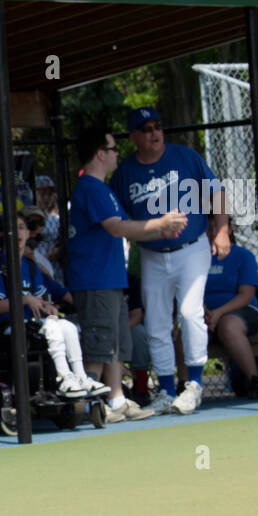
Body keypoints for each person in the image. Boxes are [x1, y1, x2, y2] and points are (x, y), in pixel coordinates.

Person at [109, 106, 229, 416]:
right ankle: (166, 389)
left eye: (157, 126)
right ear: (134, 136)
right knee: (157, 323)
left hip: (192, 248)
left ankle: (195, 385)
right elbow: (114, 219)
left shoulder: (184, 156)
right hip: (150, 254)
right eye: (146, 129)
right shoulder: (124, 173)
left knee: (190, 313)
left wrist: (223, 230)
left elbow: (217, 192)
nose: (154, 133)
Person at [68, 127, 186, 422]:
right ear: (100, 154)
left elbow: (123, 227)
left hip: (109, 278)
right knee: (99, 345)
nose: (118, 153)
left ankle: (116, 399)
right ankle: (84, 408)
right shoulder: (92, 188)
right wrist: (160, 224)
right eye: (112, 148)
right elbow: (117, 227)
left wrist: (161, 228)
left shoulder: (101, 187)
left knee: (116, 344)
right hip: (94, 280)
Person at [0, 215, 107, 399]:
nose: (17, 232)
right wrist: (25, 299)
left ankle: (80, 377)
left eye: (21, 227)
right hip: (9, 327)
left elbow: (40, 301)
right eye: (13, 228)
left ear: (28, 234)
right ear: (3, 234)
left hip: (35, 324)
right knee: (51, 326)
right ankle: (64, 377)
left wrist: (47, 307)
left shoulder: (32, 267)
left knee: (67, 326)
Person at [203, 220, 258, 398]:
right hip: (205, 313)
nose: (212, 231)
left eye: (217, 226)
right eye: (208, 227)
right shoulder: (198, 257)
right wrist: (205, 311)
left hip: (242, 311)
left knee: (228, 326)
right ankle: (184, 386)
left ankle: (254, 380)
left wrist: (218, 313)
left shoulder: (243, 256)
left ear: (228, 229)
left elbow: (246, 295)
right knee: (186, 328)